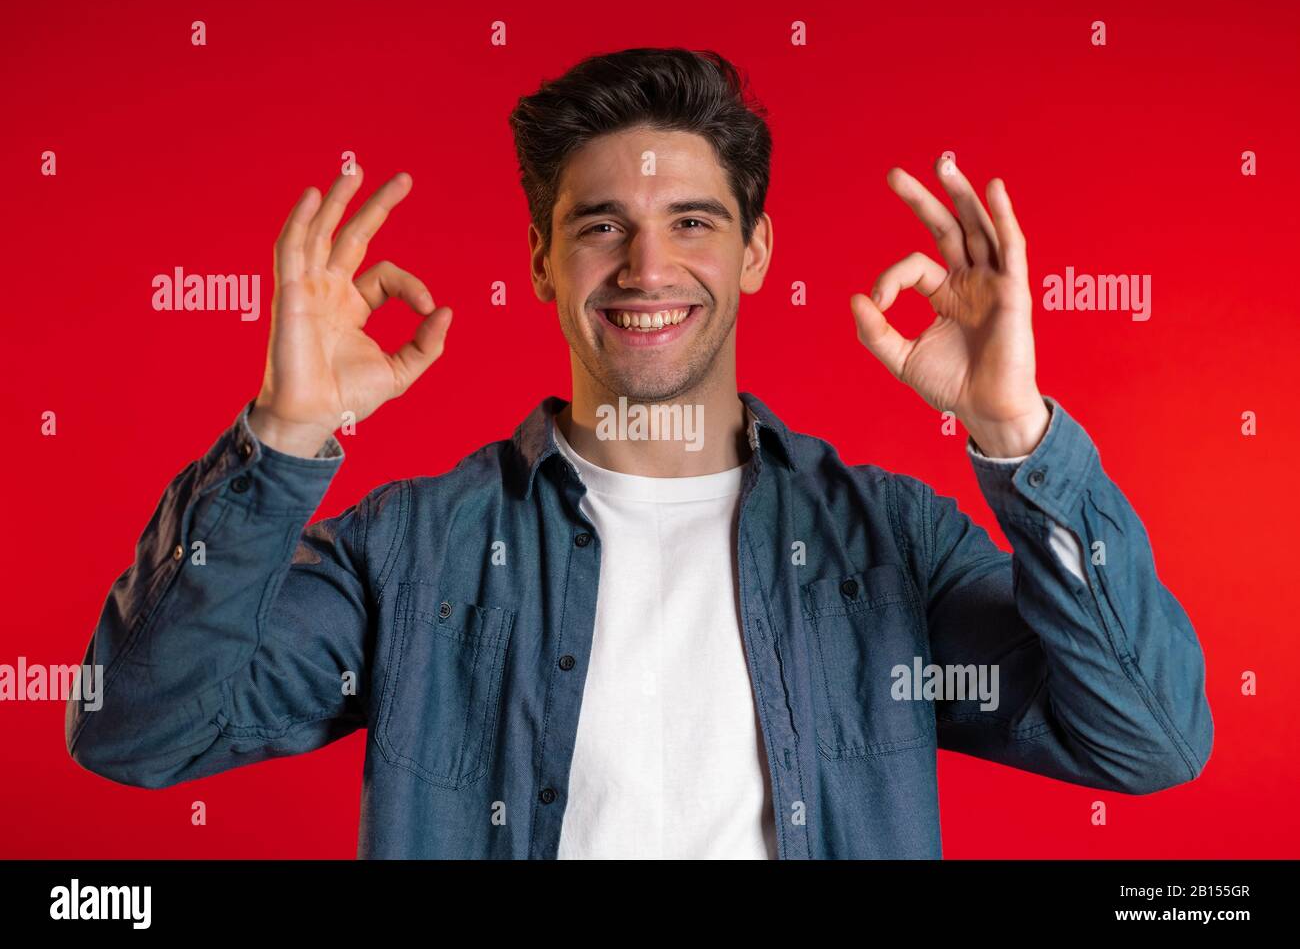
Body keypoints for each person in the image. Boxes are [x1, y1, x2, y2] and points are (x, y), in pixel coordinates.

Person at [65, 47, 1213, 859]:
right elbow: (139, 730)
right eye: (600, 222)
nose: (646, 267)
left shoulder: (888, 542)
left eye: (693, 222)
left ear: (757, 249)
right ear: (538, 256)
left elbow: (1149, 740)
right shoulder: (413, 550)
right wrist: (284, 434)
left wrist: (1018, 437)